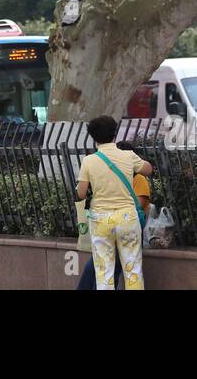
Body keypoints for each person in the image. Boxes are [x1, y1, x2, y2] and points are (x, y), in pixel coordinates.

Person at [76, 116, 153, 290]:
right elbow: (147, 169)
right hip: (127, 218)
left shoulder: (89, 161)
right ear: (114, 134)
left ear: (93, 137)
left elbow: (81, 193)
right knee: (132, 269)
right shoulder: (128, 156)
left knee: (104, 271)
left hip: (101, 220)